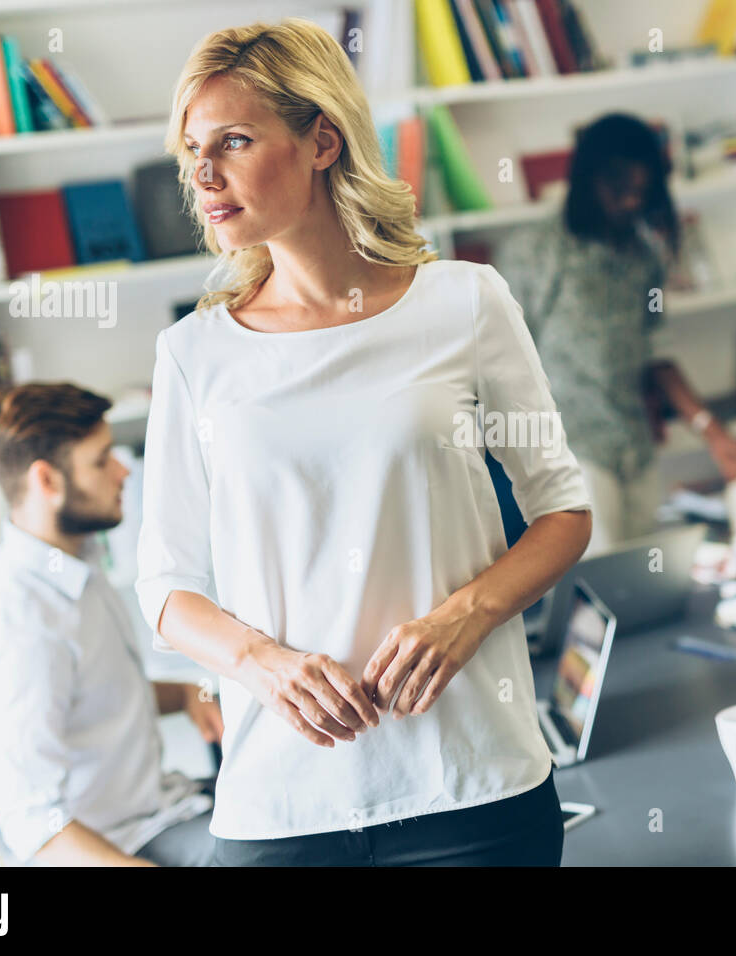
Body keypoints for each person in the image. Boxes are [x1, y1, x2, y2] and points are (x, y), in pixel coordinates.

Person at [136, 18, 593, 867]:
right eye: (191, 150)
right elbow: (166, 588)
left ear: (322, 140)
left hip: (473, 786)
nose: (203, 175)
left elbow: (562, 508)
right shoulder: (193, 353)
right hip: (280, 808)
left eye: (233, 141)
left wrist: (469, 614)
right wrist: (263, 664)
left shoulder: (464, 304)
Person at [0, 383, 222, 867]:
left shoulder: (74, 565)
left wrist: (185, 694)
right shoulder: (18, 625)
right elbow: (34, 828)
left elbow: (95, 696)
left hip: (164, 806)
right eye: (101, 460)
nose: (124, 471)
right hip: (125, 845)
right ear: (47, 481)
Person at [497, 113, 736, 556]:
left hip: (634, 443)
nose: (632, 202)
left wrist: (712, 432)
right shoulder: (534, 251)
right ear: (588, 180)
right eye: (620, 189)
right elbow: (501, 362)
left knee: (644, 571)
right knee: (599, 572)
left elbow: (657, 351)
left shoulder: (643, 255)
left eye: (642, 191)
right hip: (569, 449)